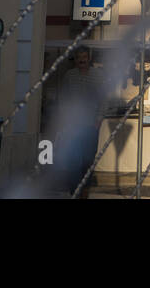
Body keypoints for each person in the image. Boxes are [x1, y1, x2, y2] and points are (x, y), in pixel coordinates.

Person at [58, 47, 106, 195]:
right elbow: (63, 99)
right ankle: (75, 192)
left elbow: (103, 100)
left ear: (89, 58)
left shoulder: (98, 75)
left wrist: (98, 121)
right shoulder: (69, 76)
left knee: (87, 160)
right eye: (79, 57)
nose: (82, 60)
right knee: (74, 160)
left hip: (91, 125)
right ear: (75, 59)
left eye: (84, 57)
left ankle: (85, 189)